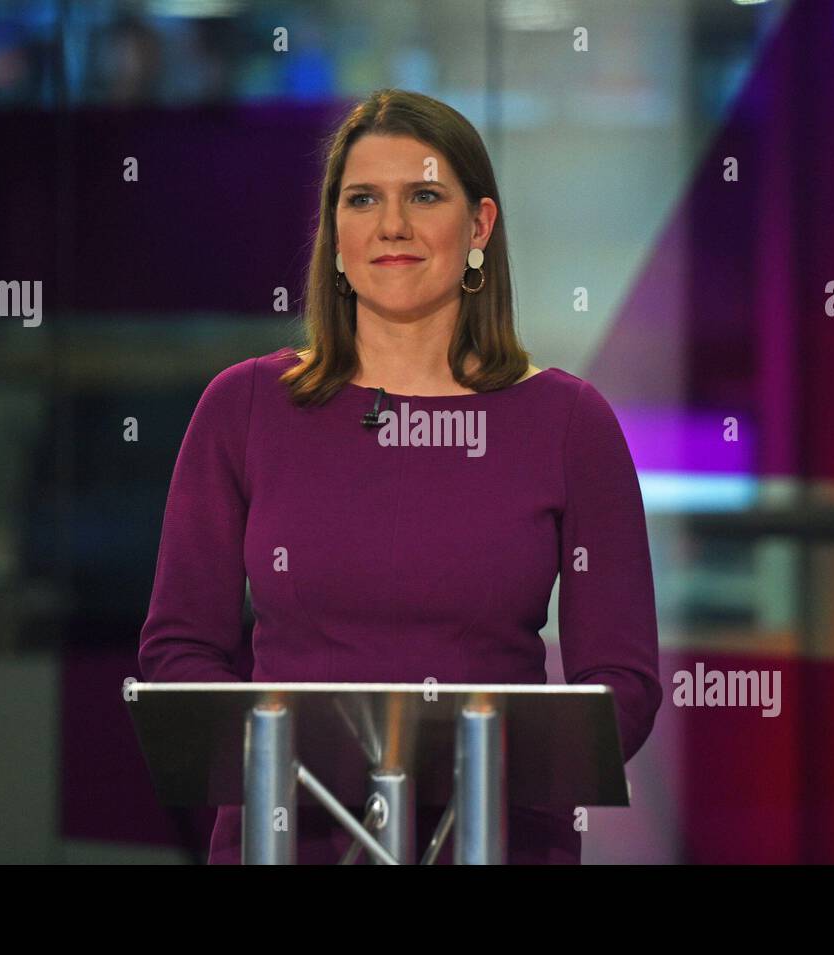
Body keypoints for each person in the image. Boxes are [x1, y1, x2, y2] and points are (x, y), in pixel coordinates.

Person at [138, 88, 662, 864]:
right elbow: (179, 652)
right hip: (288, 837)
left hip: (496, 836)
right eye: (362, 200)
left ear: (479, 224)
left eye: (423, 195)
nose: (392, 225)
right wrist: (298, 762)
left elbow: (621, 683)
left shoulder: (569, 423)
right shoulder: (243, 407)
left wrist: (482, 770)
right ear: (335, 233)